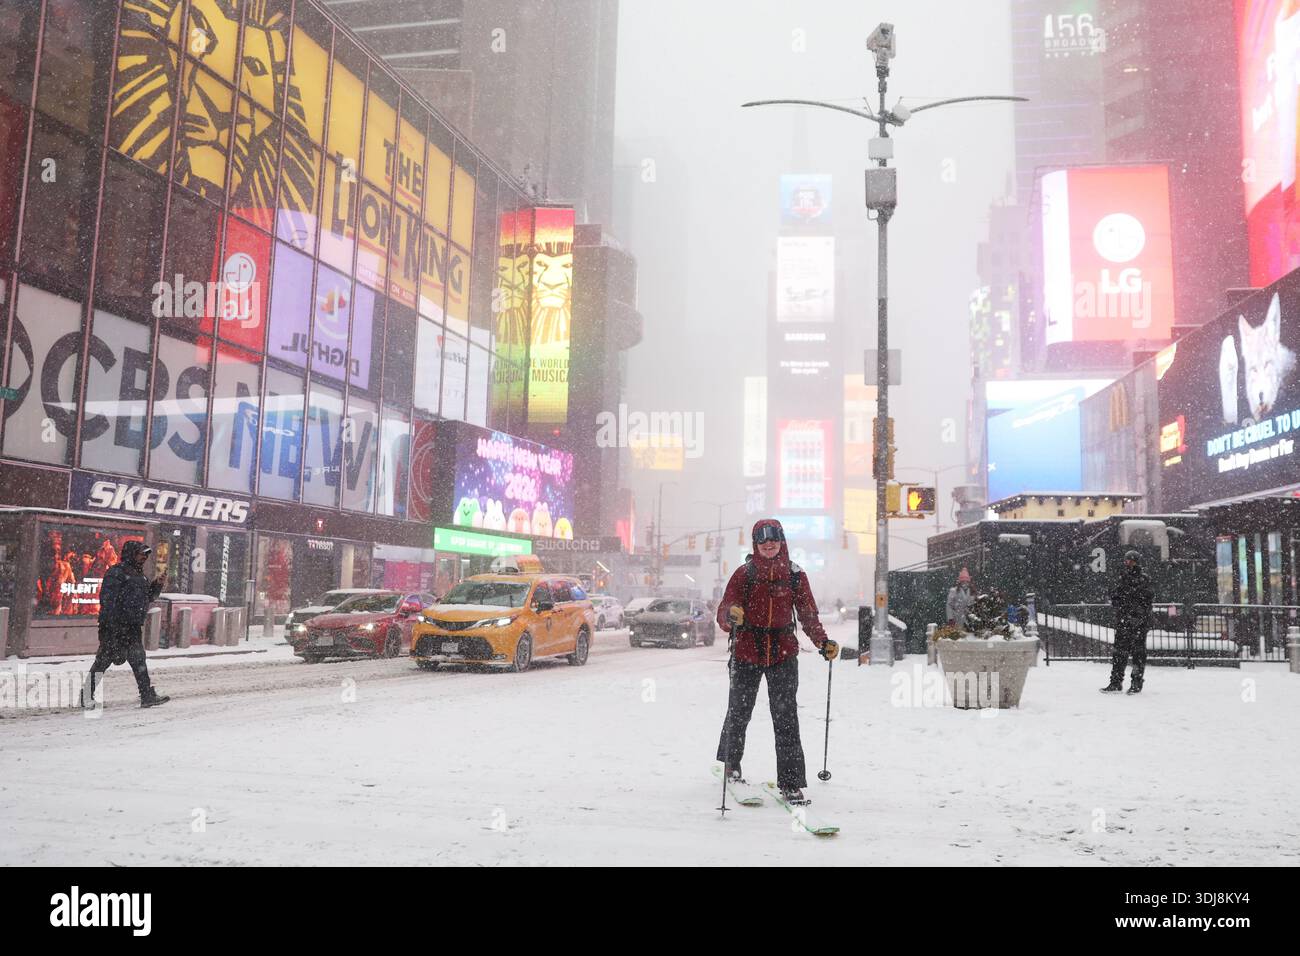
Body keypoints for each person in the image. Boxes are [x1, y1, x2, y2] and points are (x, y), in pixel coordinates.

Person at [715, 519, 838, 806]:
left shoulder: (795, 575)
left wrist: (822, 642)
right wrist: (730, 615)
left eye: (774, 540)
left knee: (786, 718)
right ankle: (731, 763)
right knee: (739, 711)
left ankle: (791, 783)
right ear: (755, 545)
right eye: (762, 541)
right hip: (747, 650)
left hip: (783, 653)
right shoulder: (744, 574)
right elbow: (725, 609)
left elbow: (807, 613)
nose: (769, 545)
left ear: (782, 542)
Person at [85, 540, 170, 709]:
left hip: (132, 627)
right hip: (115, 627)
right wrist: (112, 624)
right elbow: (107, 601)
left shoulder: (140, 576)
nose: (144, 557)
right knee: (103, 661)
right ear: (131, 554)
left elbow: (148, 598)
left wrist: (157, 585)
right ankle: (86, 695)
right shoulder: (116, 573)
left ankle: (146, 695)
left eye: (146, 555)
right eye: (141, 554)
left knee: (139, 660)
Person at [1102, 550, 1154, 695]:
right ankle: (1116, 682)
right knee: (1120, 653)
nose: (1128, 564)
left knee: (1136, 654)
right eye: (1127, 561)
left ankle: (1135, 683)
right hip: (1126, 621)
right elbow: (1116, 597)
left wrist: (1135, 614)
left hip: (1136, 622)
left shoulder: (1142, 579)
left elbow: (1145, 600)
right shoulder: (1123, 577)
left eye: (1130, 561)